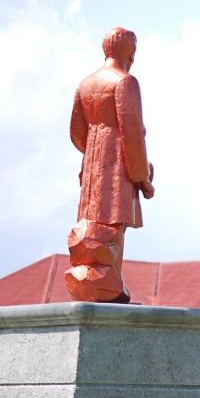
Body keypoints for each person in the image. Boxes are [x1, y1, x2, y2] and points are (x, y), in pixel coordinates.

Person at [66, 27, 156, 303]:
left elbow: (76, 132)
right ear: (128, 51)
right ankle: (111, 286)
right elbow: (133, 131)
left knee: (93, 222)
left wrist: (94, 150)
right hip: (116, 160)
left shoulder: (85, 84)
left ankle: (96, 284)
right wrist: (142, 177)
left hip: (93, 159)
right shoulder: (125, 82)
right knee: (114, 225)